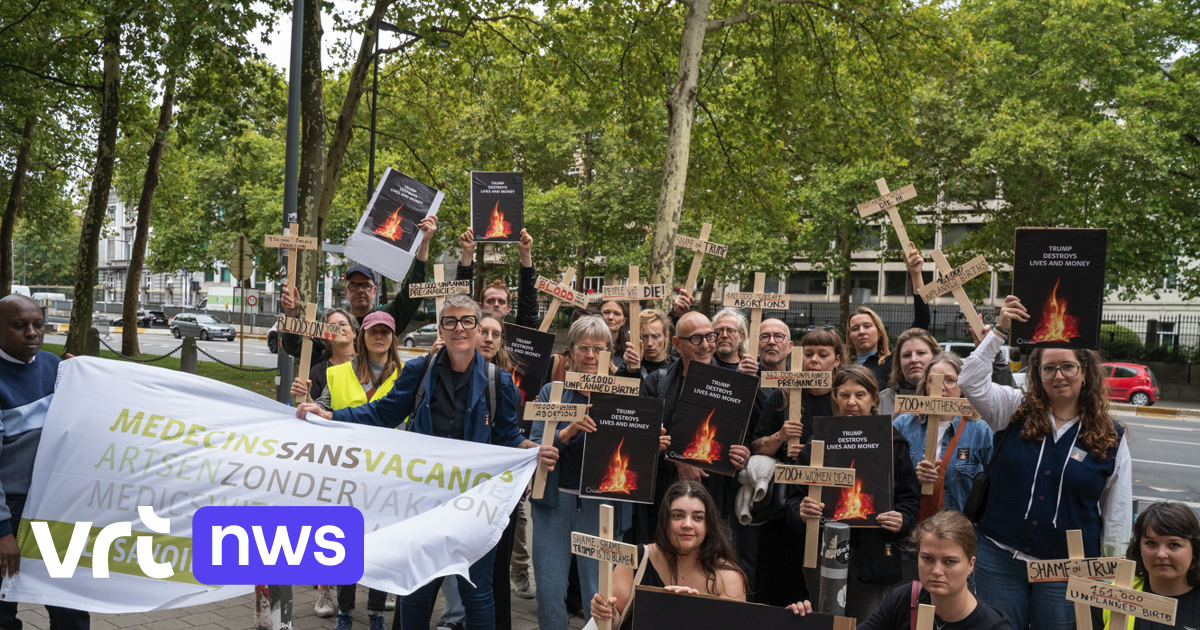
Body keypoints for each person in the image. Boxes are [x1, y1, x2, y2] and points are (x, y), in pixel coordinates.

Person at [295, 295, 559, 630]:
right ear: (441, 329)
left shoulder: (497, 381)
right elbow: (383, 412)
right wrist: (331, 415)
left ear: (478, 329)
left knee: (477, 593)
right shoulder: (420, 371)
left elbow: (506, 435)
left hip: (475, 504)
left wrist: (529, 449)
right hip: (422, 503)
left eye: (466, 321)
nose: (458, 328)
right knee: (416, 589)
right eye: (450, 321)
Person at [959, 295, 1131, 630]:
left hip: (1067, 568)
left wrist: (1109, 571)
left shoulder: (1111, 435)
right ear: (1037, 373)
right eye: (1048, 368)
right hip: (998, 555)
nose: (1059, 375)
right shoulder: (1013, 408)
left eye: (1068, 366)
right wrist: (999, 331)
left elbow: (1118, 510)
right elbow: (969, 381)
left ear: (1085, 372)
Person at [530, 316, 672, 630]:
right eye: (583, 348)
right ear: (571, 353)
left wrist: (651, 447)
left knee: (601, 596)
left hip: (603, 508)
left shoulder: (626, 396)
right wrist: (567, 432)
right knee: (550, 591)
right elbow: (536, 450)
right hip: (554, 504)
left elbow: (634, 463)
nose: (590, 355)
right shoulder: (552, 393)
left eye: (598, 348)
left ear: (610, 352)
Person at [293, 311, 400, 630]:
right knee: (347, 541)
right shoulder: (338, 375)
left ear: (392, 338)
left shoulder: (406, 376)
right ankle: (345, 611)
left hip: (388, 473)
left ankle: (377, 611)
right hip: (348, 472)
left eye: (385, 331)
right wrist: (308, 401)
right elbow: (322, 411)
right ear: (363, 337)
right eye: (373, 331)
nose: (379, 336)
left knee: (382, 543)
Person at [788, 365, 921, 619]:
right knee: (824, 621)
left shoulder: (893, 443)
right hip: (823, 556)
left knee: (866, 623)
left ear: (873, 398)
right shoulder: (817, 444)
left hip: (874, 559)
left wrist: (902, 518)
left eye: (860, 395)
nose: (852, 402)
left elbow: (909, 500)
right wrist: (801, 511)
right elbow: (793, 500)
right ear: (834, 398)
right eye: (844, 395)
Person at [0, 294, 90, 630]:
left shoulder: (55, 367)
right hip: (13, 507)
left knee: (69, 606)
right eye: (19, 325)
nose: (32, 333)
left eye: (38, 324)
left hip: (57, 507)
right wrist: (2, 532)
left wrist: (88, 379)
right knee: (4, 607)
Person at [632, 312, 753, 544]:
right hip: (662, 497)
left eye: (710, 337)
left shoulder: (731, 384)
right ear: (677, 344)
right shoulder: (656, 383)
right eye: (696, 339)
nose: (706, 345)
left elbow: (744, 437)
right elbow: (639, 439)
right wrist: (678, 459)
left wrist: (742, 453)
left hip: (713, 495)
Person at [749, 327, 849, 607]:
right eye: (808, 354)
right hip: (784, 514)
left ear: (837, 359)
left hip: (830, 511)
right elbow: (755, 449)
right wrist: (780, 437)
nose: (814, 360)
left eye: (823, 354)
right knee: (780, 593)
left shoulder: (844, 400)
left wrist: (809, 453)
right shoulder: (781, 398)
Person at [590, 481, 748, 630]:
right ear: (664, 520)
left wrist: (695, 613)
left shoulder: (729, 578)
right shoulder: (635, 559)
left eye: (698, 517)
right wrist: (605, 614)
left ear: (709, 524)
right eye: (678, 516)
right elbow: (613, 623)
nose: (687, 524)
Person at [280, 215, 438, 359]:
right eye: (354, 286)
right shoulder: (334, 324)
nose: (360, 290)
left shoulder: (387, 316)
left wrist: (424, 243)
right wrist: (292, 315)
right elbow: (296, 348)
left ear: (374, 291)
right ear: (346, 292)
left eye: (365, 285)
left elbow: (412, 293)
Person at [854, 510, 1011, 630]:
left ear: (971, 565)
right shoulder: (903, 600)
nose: (937, 571)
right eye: (928, 558)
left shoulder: (992, 626)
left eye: (949, 561)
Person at [893, 354, 993, 518]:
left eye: (950, 380)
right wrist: (912, 479)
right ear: (925, 385)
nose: (942, 387)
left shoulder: (980, 431)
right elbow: (886, 480)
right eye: (933, 380)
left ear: (962, 386)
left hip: (958, 531)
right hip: (913, 530)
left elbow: (991, 487)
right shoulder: (902, 425)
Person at [1103, 501, 1200, 630]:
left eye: (1174, 544)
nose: (1161, 554)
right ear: (1139, 549)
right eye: (1151, 543)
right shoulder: (1112, 595)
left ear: (1194, 550)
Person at [850, 244, 932, 390]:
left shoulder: (891, 363)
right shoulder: (840, 365)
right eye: (855, 328)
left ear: (880, 332)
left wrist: (916, 275)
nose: (861, 331)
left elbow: (922, 320)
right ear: (850, 336)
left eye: (867, 326)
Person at [456, 227, 540, 328]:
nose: (496, 305)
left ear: (508, 308)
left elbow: (528, 309)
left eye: (501, 301)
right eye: (490, 301)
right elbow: (461, 305)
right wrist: (468, 251)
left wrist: (525, 252)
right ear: (481, 307)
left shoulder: (517, 338)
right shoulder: (469, 334)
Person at [880, 328, 942, 416]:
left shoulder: (951, 397)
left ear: (936, 357)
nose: (913, 359)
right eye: (907, 355)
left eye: (921, 353)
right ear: (899, 363)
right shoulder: (882, 401)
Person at [616, 309, 675, 380]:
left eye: (655, 336)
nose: (649, 343)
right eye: (644, 337)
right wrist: (630, 370)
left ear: (666, 336)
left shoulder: (677, 367)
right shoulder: (630, 367)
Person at [711, 308, 753, 372]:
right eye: (719, 330)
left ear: (741, 337)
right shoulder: (704, 364)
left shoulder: (751, 368)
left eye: (730, 331)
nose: (724, 335)